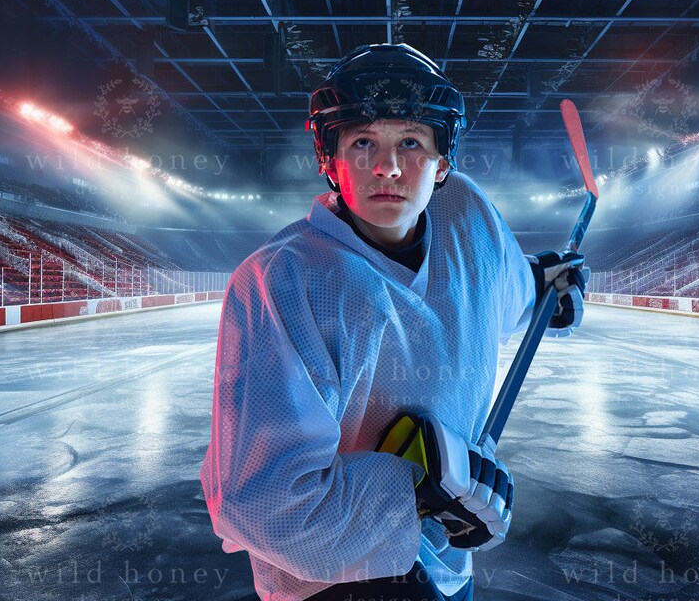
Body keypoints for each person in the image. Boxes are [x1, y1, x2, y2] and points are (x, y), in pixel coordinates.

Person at [200, 43, 587, 601]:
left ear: (443, 162)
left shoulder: (466, 217)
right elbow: (258, 499)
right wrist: (420, 492)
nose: (387, 167)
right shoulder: (281, 283)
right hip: (329, 583)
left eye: (411, 141)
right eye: (363, 142)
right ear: (329, 159)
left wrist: (549, 288)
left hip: (450, 572)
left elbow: (504, 286)